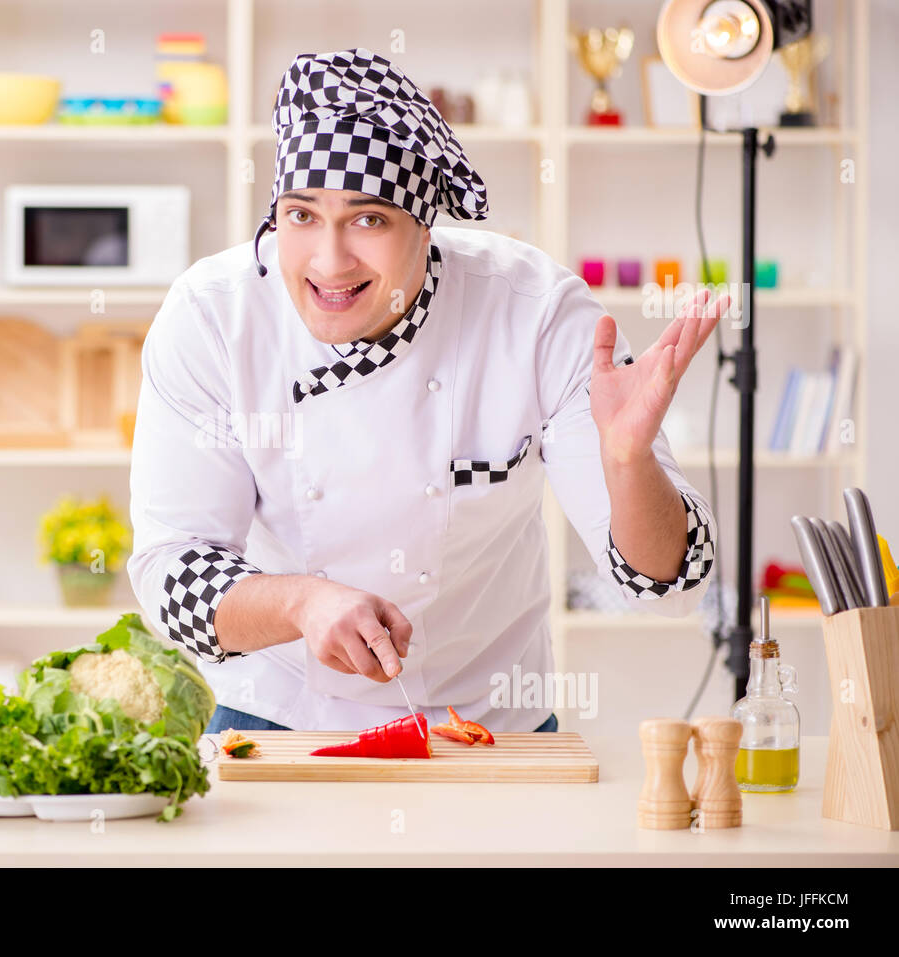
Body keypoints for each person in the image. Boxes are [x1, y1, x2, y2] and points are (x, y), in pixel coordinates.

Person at [126, 48, 723, 734]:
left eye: (368, 219)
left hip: (493, 725)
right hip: (275, 719)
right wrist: (301, 603)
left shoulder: (533, 314)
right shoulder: (214, 317)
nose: (328, 260)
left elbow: (671, 588)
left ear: (426, 224)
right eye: (301, 216)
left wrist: (628, 463)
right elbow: (170, 573)